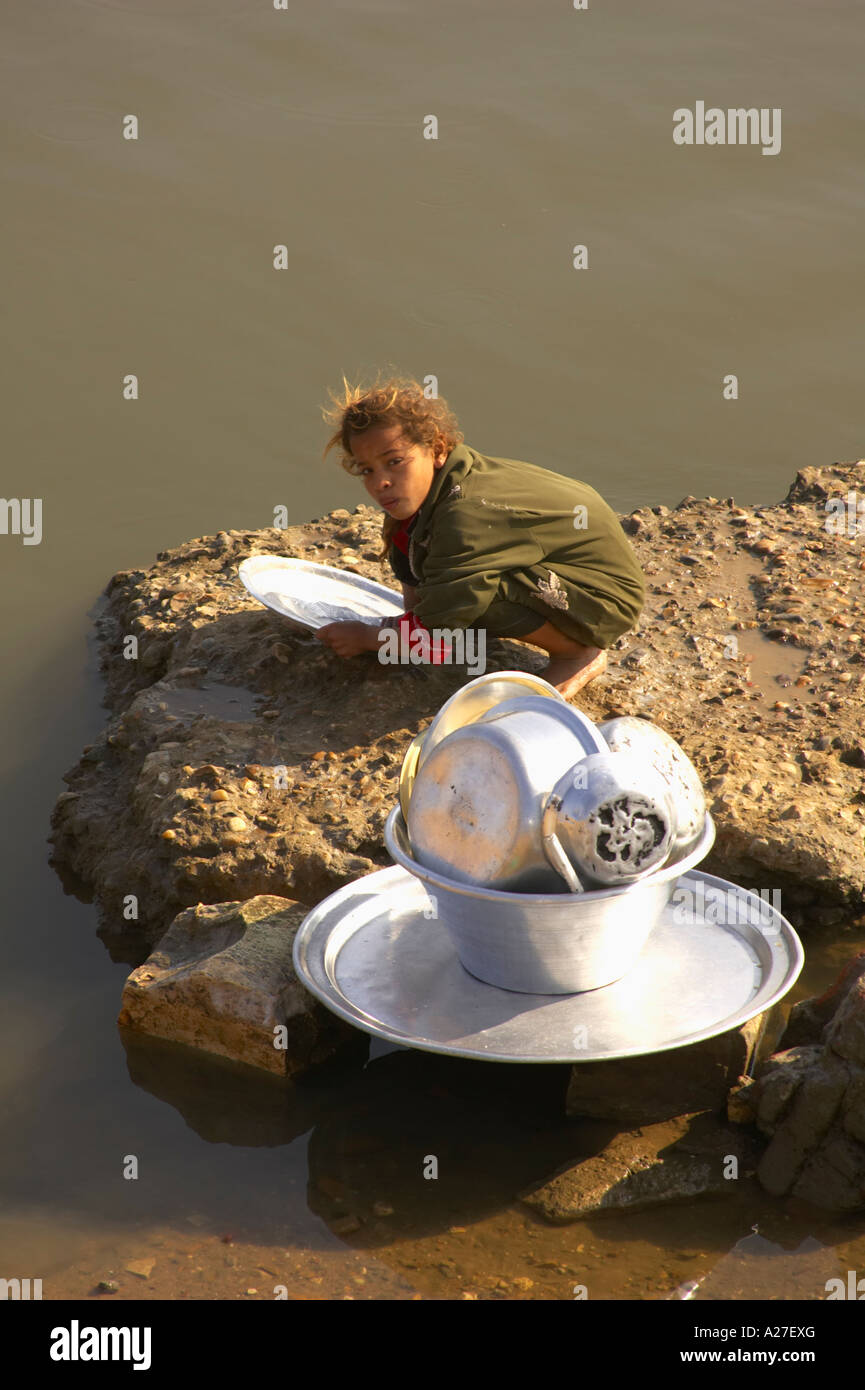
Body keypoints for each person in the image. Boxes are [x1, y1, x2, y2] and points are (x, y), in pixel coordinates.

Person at [316, 374, 645, 698]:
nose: (380, 482)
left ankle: (577, 652)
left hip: (604, 597)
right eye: (367, 469)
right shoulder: (435, 489)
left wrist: (367, 638)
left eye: (395, 461)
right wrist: (408, 627)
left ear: (438, 448)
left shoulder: (466, 515)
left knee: (478, 594)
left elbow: (436, 642)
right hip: (558, 567)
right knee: (443, 577)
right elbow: (413, 565)